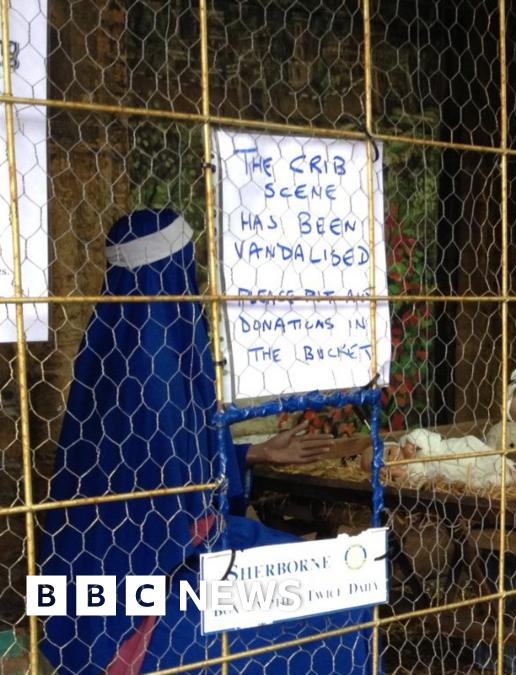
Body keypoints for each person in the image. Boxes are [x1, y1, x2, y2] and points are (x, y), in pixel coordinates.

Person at [40, 209, 369, 674]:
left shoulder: (106, 343)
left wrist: (251, 453)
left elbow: (168, 462)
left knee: (320, 565)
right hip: (153, 579)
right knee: (340, 585)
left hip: (104, 575)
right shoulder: (158, 358)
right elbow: (173, 502)